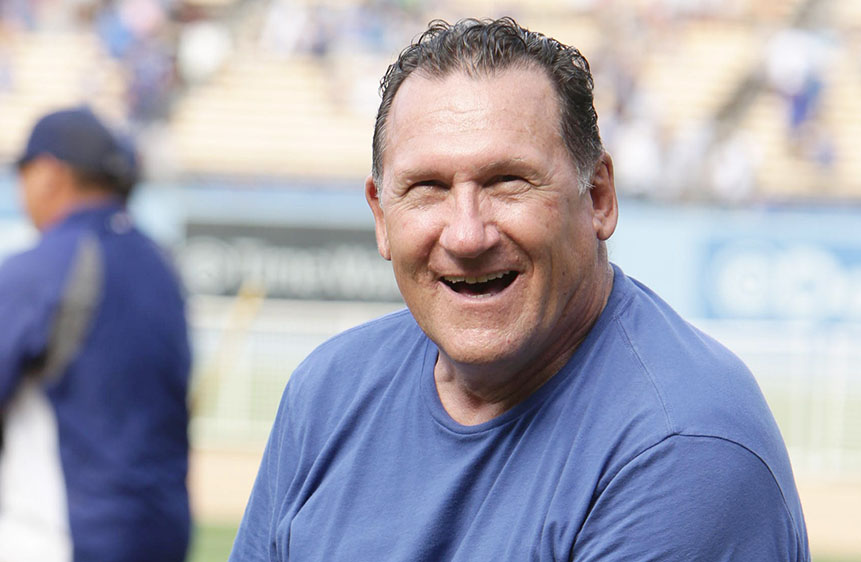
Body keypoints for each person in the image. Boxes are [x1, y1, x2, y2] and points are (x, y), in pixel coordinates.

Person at [231, 17, 810, 561]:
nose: (466, 233)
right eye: (427, 187)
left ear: (599, 198)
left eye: (508, 181)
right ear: (382, 217)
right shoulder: (327, 392)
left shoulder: (684, 451)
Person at [0, 107, 191, 561]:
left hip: (59, 536)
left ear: (49, 175)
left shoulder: (40, 268)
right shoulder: (160, 265)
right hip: (161, 535)